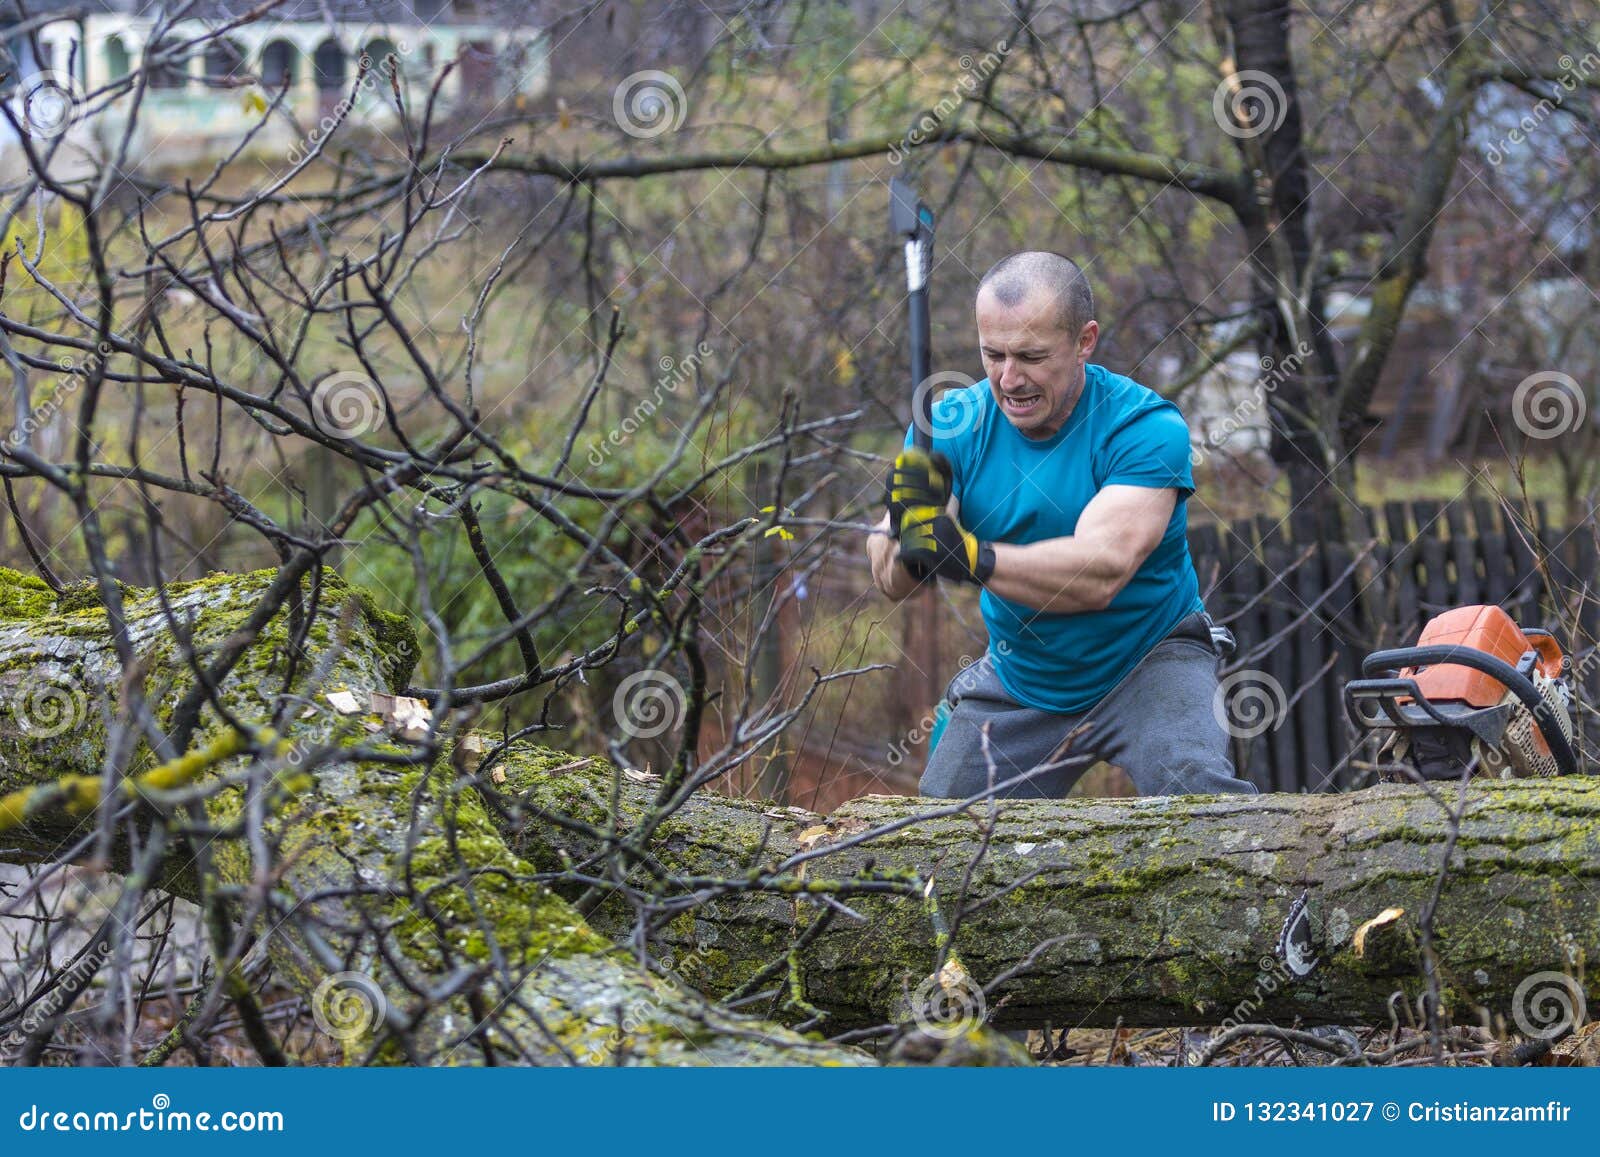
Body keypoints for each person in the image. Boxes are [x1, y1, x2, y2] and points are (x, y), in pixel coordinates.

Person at [867, 251, 1258, 799]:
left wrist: (971, 556)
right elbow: (891, 581)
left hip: (1149, 659)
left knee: (1201, 809)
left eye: (1030, 355)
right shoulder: (951, 426)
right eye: (992, 354)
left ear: (1084, 341)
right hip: (1022, 672)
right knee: (942, 840)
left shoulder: (1144, 427)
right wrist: (909, 533)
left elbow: (1100, 572)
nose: (1009, 378)